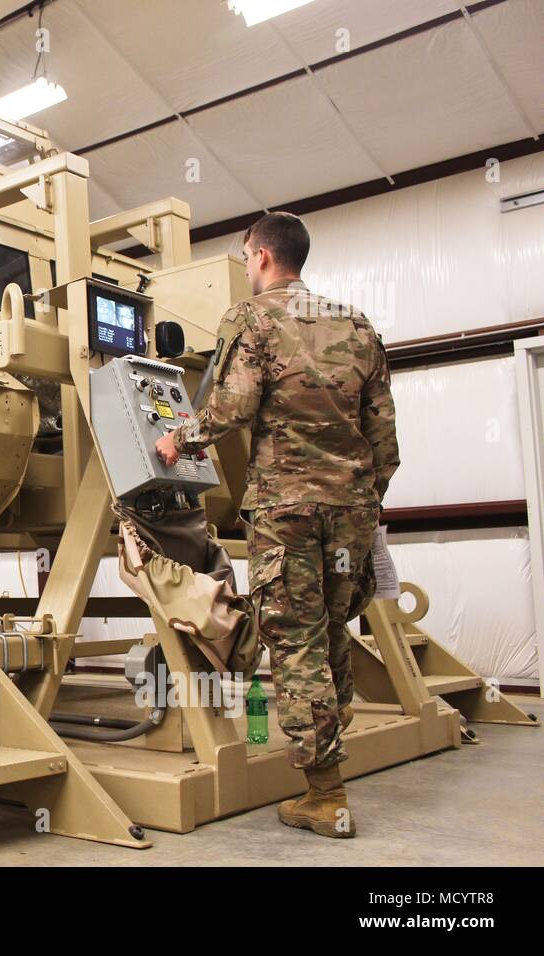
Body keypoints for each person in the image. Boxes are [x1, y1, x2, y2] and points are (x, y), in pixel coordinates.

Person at [155, 211, 399, 838]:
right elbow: (385, 442)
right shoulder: (358, 324)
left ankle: (325, 794)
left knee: (295, 642)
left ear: (261, 257)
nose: (245, 268)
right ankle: (330, 765)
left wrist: (179, 440)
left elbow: (232, 407)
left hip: (285, 511)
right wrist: (362, 503)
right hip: (349, 516)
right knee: (332, 634)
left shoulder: (253, 318)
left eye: (244, 258)